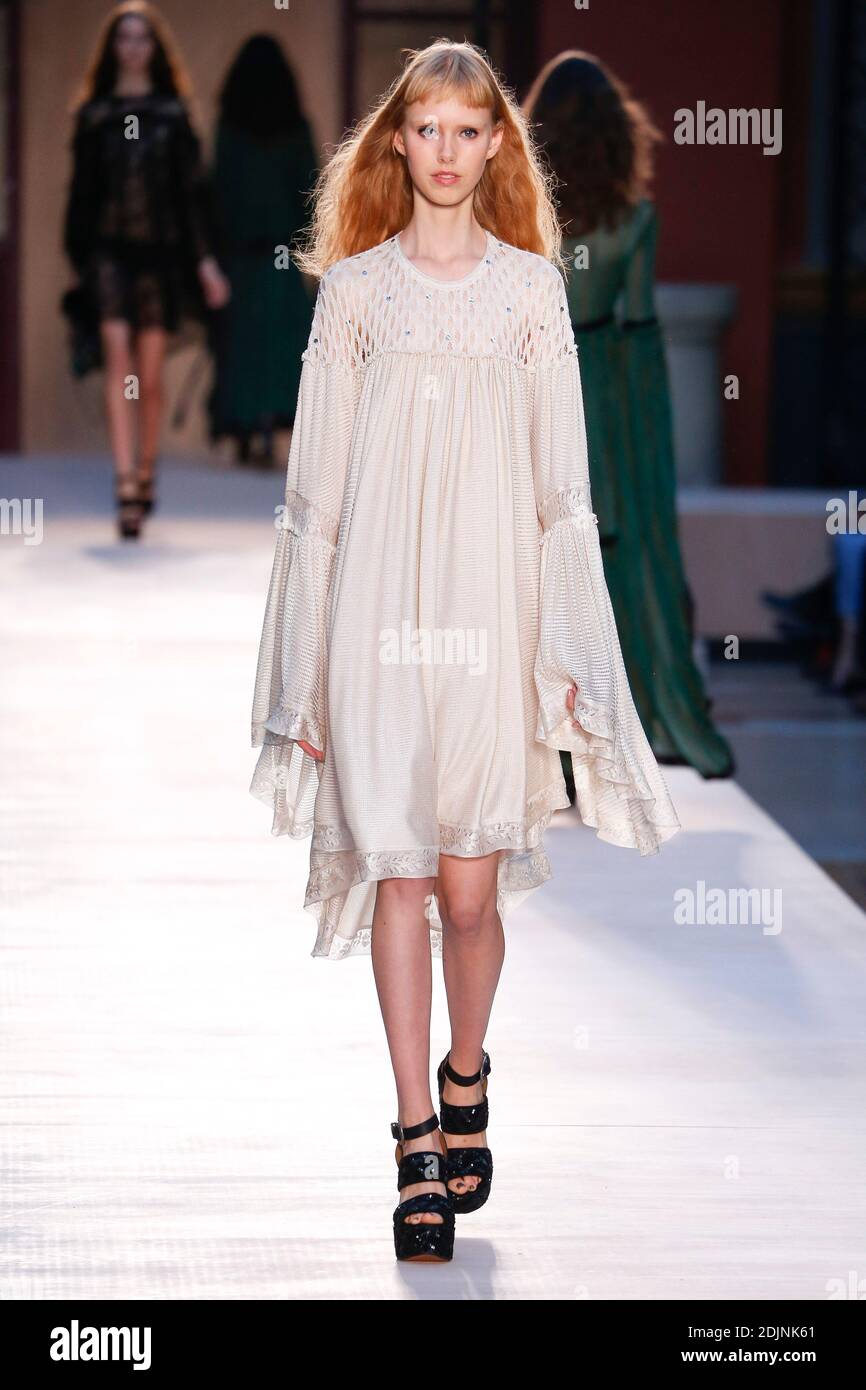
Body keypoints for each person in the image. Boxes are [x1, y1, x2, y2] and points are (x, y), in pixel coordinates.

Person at [248, 40, 680, 1263]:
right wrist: (304, 669)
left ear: (498, 145)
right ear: (397, 141)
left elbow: (560, 494)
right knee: (400, 875)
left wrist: (563, 650)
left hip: (491, 617)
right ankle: (412, 1143)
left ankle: (467, 1067)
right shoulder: (356, 295)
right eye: (424, 128)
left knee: (471, 891)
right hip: (376, 618)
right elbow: (314, 495)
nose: (443, 150)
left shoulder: (531, 293)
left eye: (465, 130)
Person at [523, 51, 735, 780]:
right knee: (613, 558)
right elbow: (640, 330)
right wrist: (648, 449)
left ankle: (547, 746)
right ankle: (612, 734)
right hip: (608, 405)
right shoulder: (636, 220)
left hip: (536, 395)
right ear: (617, 133)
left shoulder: (525, 222)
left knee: (535, 564)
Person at [63, 0, 229, 540]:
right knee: (118, 359)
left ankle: (145, 467)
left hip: (161, 255)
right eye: (124, 38)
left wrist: (205, 261)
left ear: (154, 49)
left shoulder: (172, 115)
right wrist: (79, 260)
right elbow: (81, 194)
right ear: (113, 48)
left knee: (149, 375)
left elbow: (191, 195)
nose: (133, 47)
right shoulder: (94, 114)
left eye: (142, 38)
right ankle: (123, 483)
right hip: (108, 252)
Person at [207, 36, 318, 466]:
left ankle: (246, 428)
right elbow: (309, 189)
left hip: (243, 257)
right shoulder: (296, 128)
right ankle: (273, 425)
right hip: (283, 256)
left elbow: (220, 191)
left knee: (244, 347)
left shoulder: (229, 129)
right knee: (283, 347)